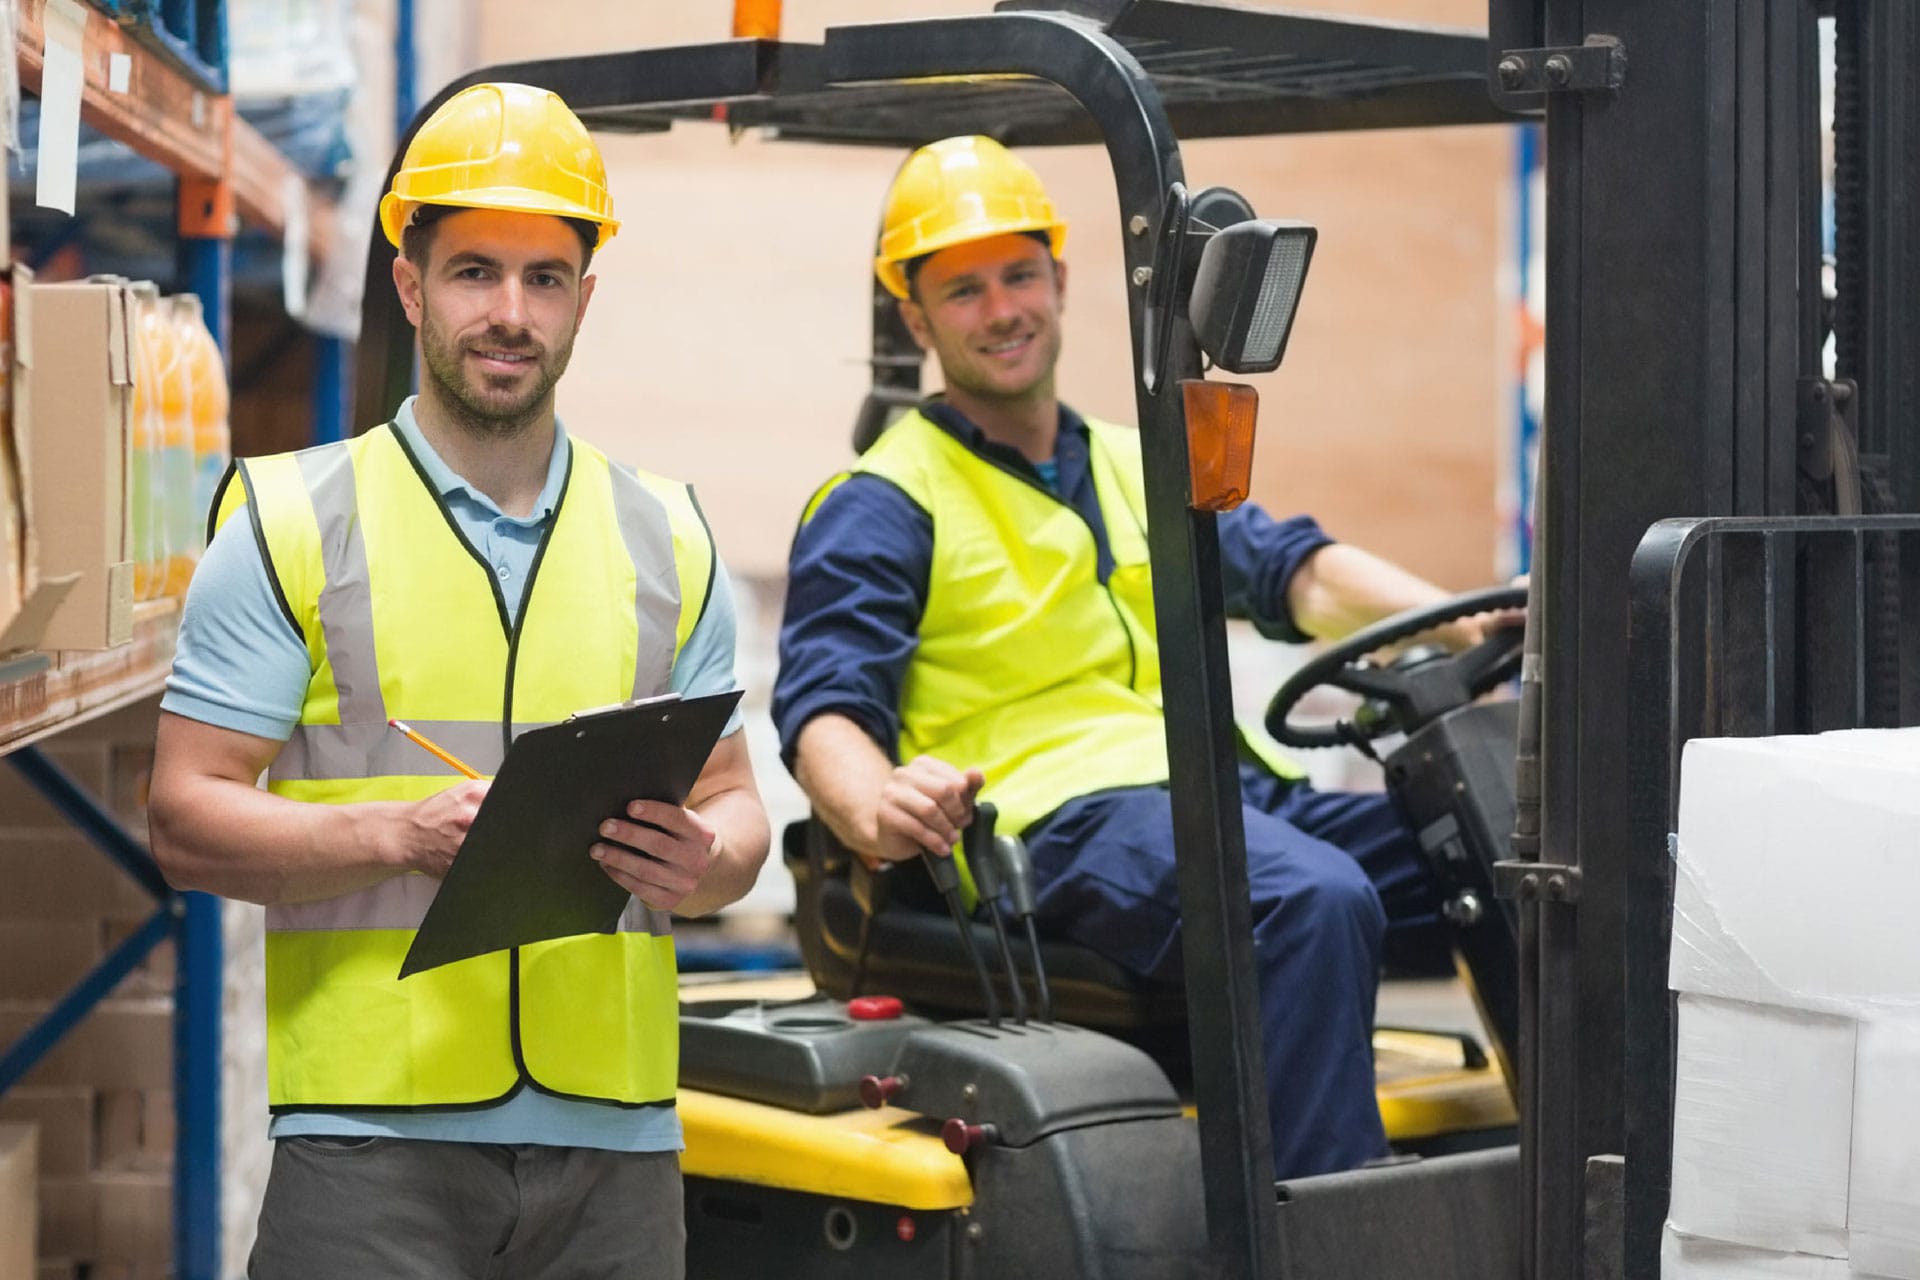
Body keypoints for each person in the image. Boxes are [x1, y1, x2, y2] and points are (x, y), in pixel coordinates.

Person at [773, 134, 1502, 1181]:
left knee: (1510, 849)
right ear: (918, 316)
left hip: (1221, 794)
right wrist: (874, 804)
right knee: (1311, 898)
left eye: (1019, 274)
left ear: (1061, 280)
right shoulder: (888, 498)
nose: (1003, 308)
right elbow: (826, 703)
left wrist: (1465, 619)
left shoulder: (1137, 456)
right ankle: (1320, 1241)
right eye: (964, 289)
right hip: (1055, 826)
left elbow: (1292, 569)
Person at [148, 83, 769, 1279]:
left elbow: (738, 807)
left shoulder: (671, 537)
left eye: (545, 278)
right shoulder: (292, 522)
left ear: (585, 297)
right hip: (371, 1143)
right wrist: (397, 831)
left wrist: (711, 859)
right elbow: (185, 816)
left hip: (618, 1150)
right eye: (475, 269)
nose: (509, 313)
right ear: (409, 282)